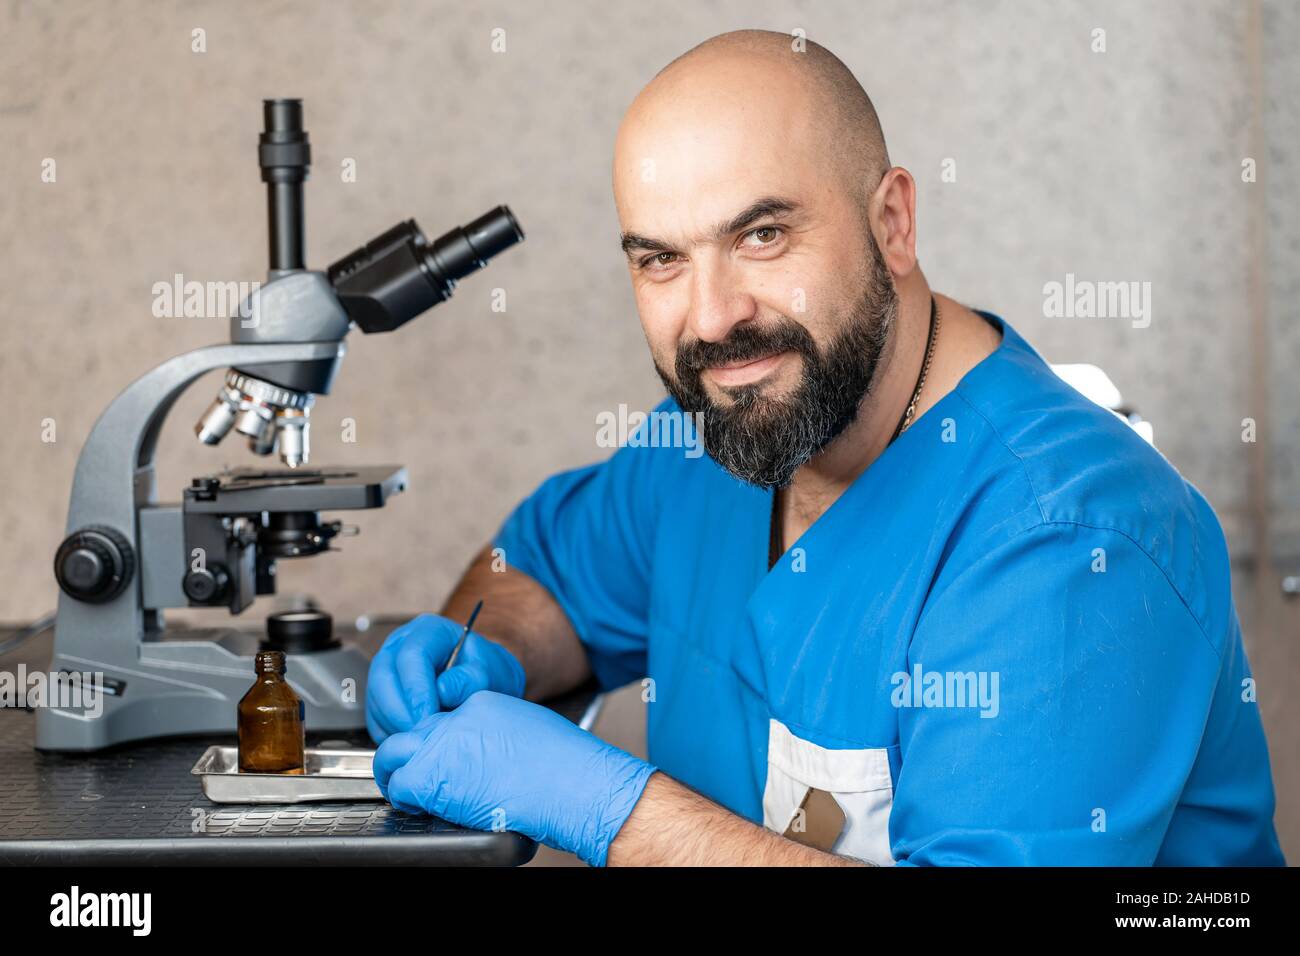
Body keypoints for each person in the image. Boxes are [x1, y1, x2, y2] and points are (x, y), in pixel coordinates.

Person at [367, 30, 1284, 866]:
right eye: (661, 260)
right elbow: (542, 575)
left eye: (762, 235)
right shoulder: (722, 435)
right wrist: (478, 658)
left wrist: (606, 806)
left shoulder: (1072, 542)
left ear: (893, 222)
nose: (714, 317)